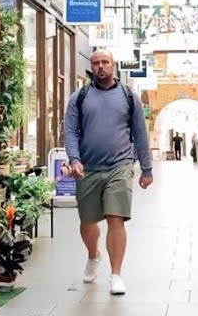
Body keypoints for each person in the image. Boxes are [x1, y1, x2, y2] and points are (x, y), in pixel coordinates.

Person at [64, 49, 153, 296]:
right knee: (88, 222)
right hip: (88, 168)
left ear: (113, 65)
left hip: (120, 165)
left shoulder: (128, 96)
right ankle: (93, 255)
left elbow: (140, 134)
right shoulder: (79, 97)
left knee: (116, 218)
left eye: (105, 62)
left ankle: (116, 275)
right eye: (96, 63)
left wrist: (146, 169)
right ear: (91, 67)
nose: (101, 66)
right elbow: (70, 132)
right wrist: (74, 159)